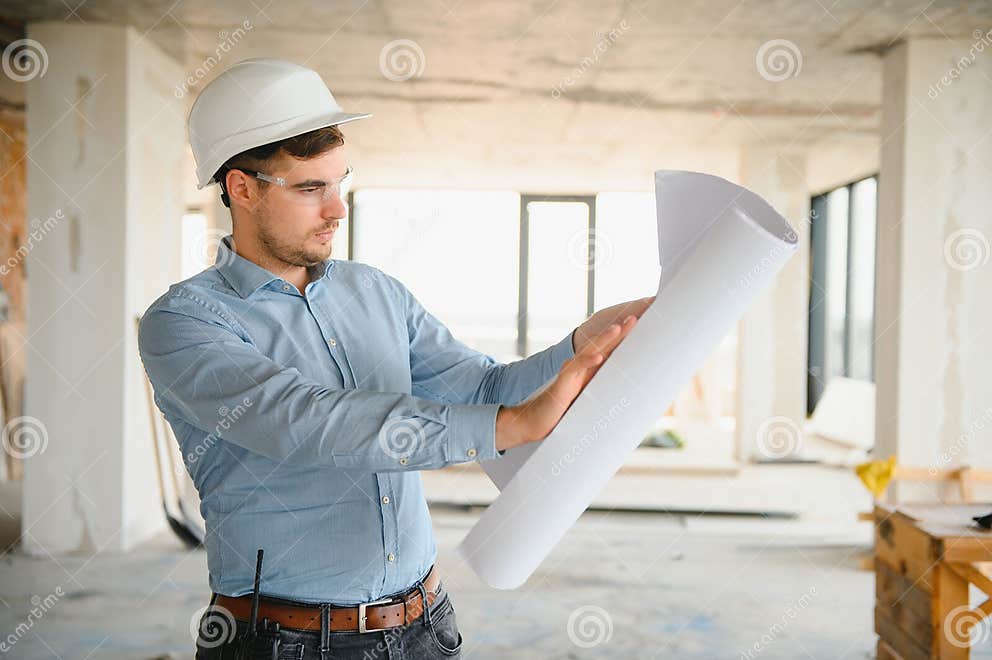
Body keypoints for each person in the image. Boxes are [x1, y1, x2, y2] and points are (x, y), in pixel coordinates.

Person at [138, 58, 651, 659]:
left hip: (425, 626)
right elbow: (307, 421)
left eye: (340, 183)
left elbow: (482, 389)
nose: (337, 210)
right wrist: (510, 429)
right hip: (285, 643)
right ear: (241, 188)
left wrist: (579, 345)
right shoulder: (184, 322)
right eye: (310, 189)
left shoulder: (374, 291)